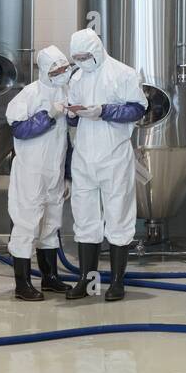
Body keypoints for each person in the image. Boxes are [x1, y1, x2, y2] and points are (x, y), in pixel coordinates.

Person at [64, 28, 147, 302]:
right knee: (85, 218)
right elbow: (74, 119)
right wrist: (72, 113)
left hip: (114, 156)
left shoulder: (123, 74)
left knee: (118, 217)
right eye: (77, 57)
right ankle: (87, 283)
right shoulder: (76, 78)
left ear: (97, 50)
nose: (82, 61)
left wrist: (105, 110)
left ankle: (117, 283)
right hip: (84, 156)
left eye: (86, 56)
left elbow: (137, 108)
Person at [5, 45, 74, 301]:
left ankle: (50, 278)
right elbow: (19, 129)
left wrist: (67, 175)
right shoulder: (28, 94)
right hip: (31, 174)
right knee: (27, 225)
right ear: (45, 70)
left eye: (65, 68)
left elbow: (67, 140)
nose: (62, 73)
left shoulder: (66, 92)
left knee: (50, 225)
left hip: (53, 173)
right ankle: (22, 284)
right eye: (57, 69)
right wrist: (49, 115)